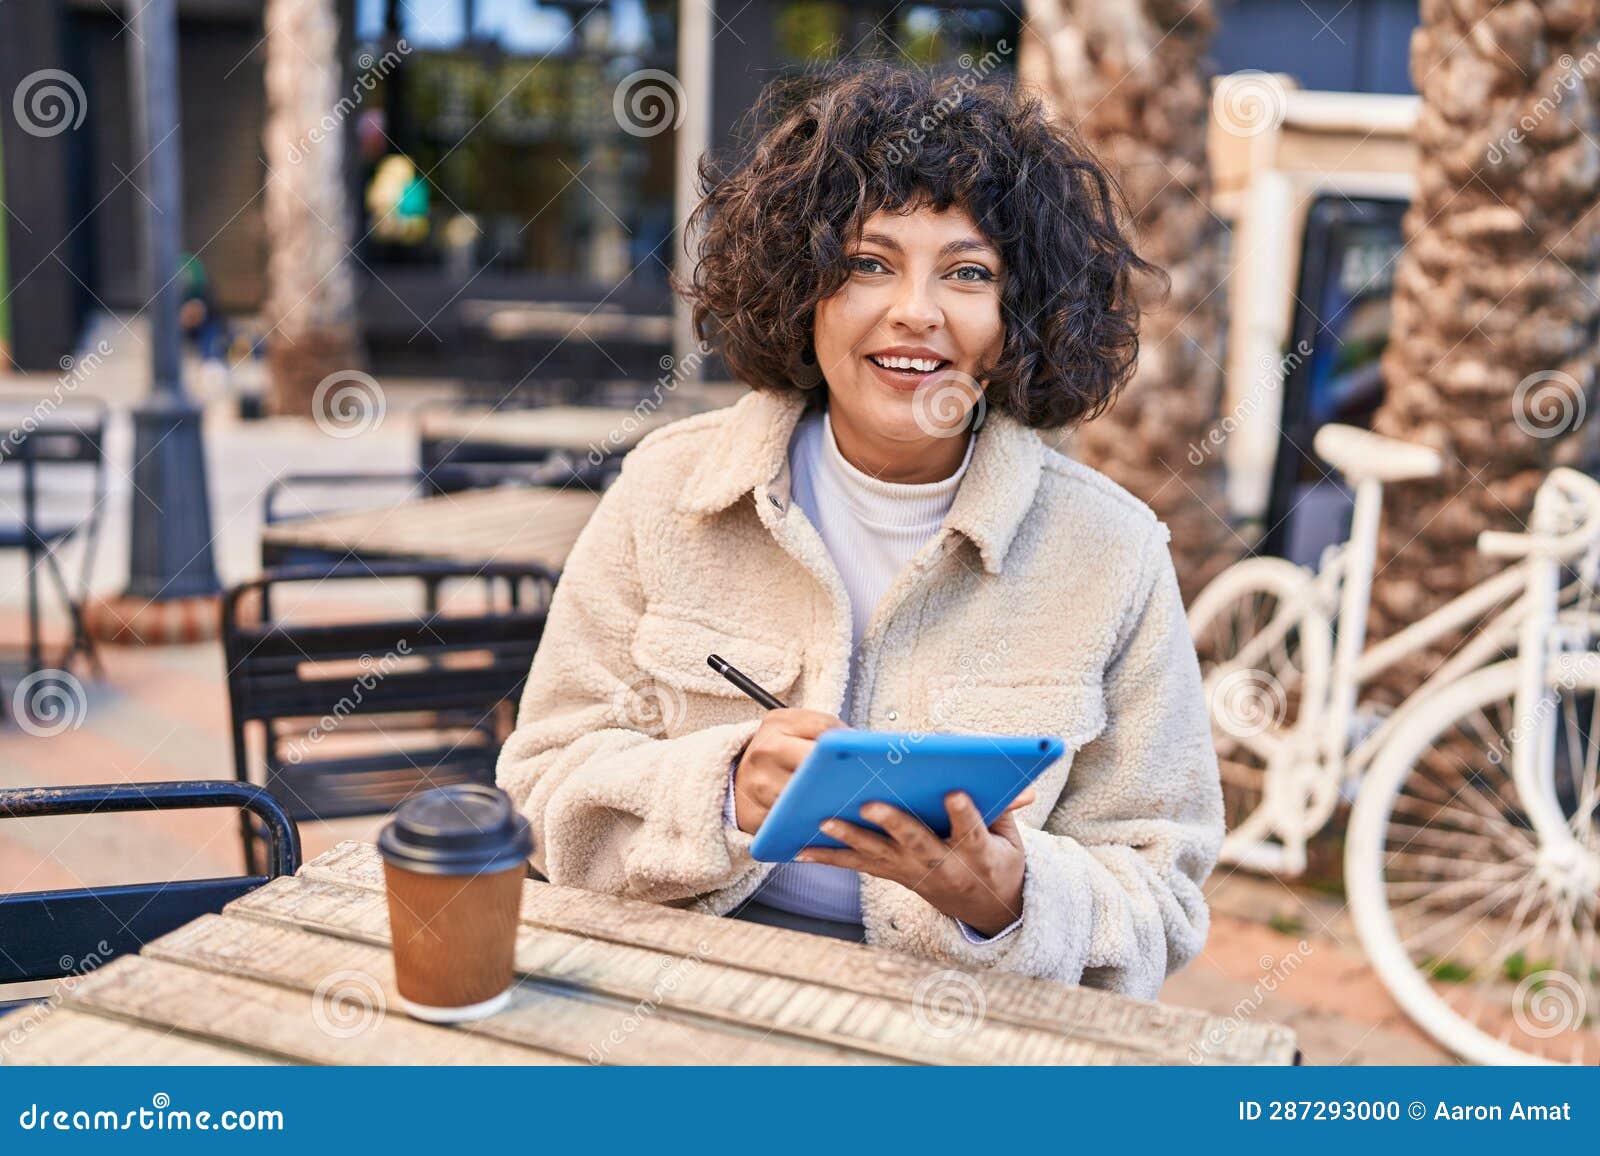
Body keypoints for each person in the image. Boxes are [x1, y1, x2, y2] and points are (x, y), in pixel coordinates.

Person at [495, 62, 1223, 998]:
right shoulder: (666, 491)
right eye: (870, 263)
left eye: (968, 273)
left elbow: (1164, 893)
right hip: (676, 1008)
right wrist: (721, 791)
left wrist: (1010, 898)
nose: (915, 311)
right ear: (804, 288)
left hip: (958, 1047)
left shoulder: (1112, 553)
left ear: (1019, 318)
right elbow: (541, 784)